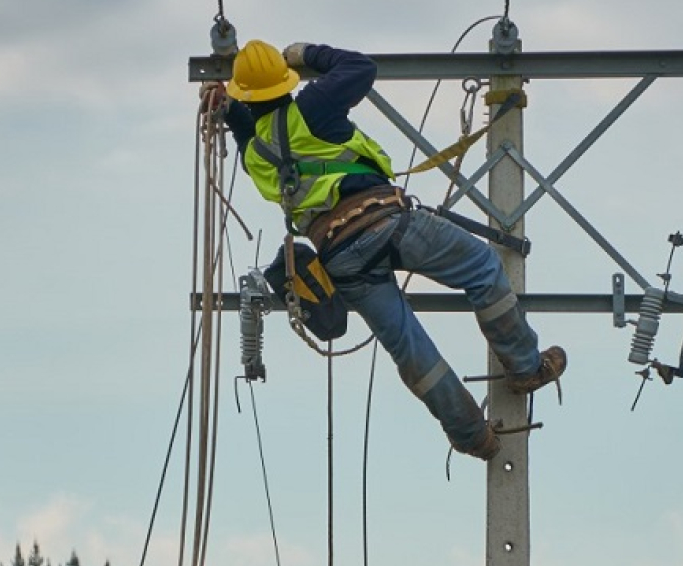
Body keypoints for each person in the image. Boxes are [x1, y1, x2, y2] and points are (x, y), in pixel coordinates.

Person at [203, 39, 567, 460]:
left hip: (339, 258)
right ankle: (524, 367)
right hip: (385, 222)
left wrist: (228, 109)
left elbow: (248, 135)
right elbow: (360, 67)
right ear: (285, 83)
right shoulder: (311, 107)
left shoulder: (255, 156)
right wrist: (306, 54)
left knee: (410, 347)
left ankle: (470, 435)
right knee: (481, 266)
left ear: (248, 97)